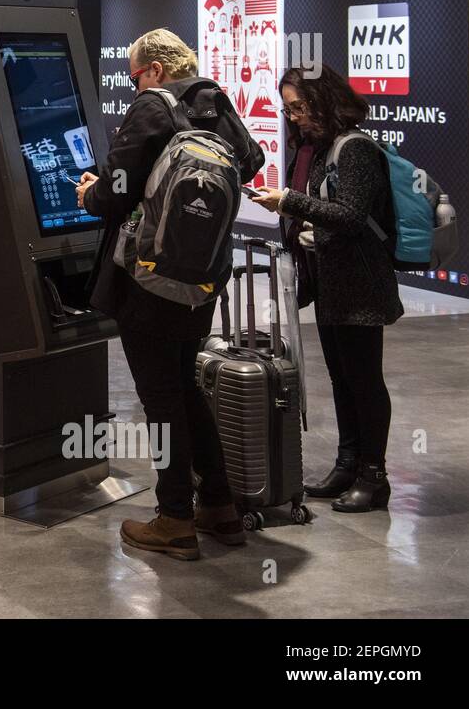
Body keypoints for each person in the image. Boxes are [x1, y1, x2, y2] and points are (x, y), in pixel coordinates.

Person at [78, 29, 263, 560]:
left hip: (146, 280)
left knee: (161, 400)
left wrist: (92, 192)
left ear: (155, 69)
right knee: (185, 386)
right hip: (201, 278)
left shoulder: (150, 110)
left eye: (135, 75)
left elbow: (115, 194)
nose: (135, 84)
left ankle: (175, 518)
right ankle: (220, 506)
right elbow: (248, 163)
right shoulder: (216, 103)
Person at [252, 65, 402, 512]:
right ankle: (348, 463)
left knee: (363, 380)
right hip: (333, 284)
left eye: (299, 107)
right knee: (342, 378)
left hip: (360, 285)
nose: (293, 116)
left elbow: (352, 215)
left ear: (323, 99)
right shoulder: (318, 149)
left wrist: (289, 202)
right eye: (288, 108)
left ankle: (374, 477)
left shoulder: (353, 148)